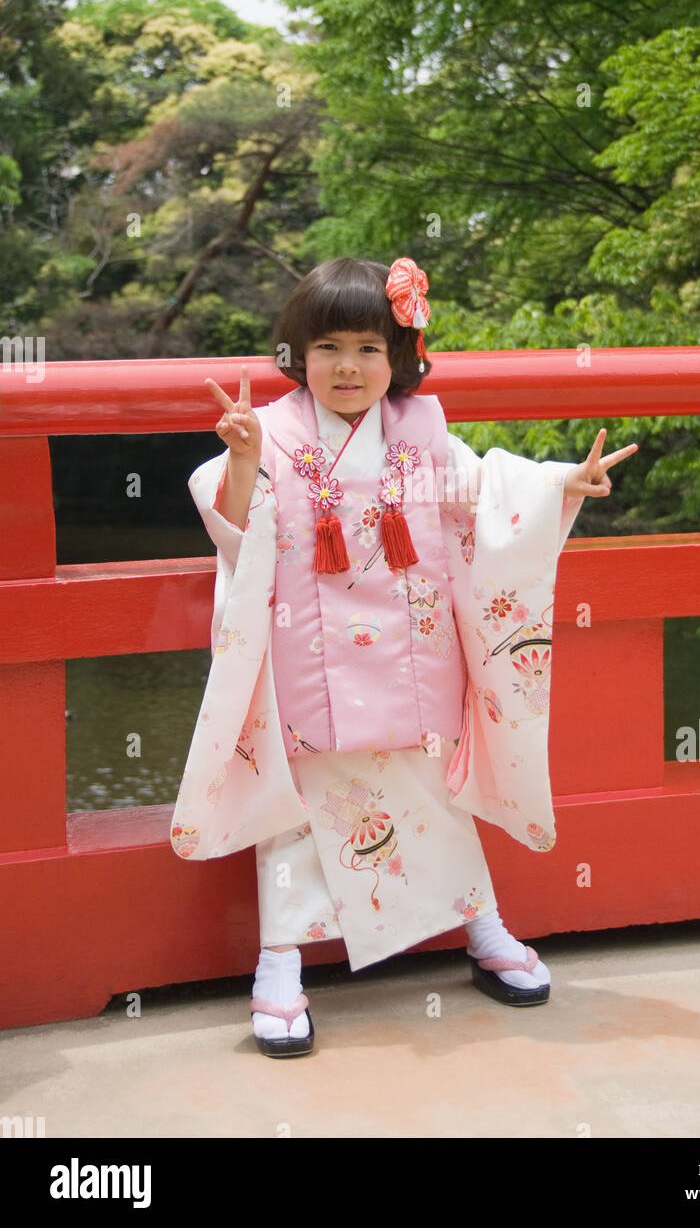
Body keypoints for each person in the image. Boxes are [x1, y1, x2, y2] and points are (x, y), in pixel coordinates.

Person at [171, 256, 637, 1057]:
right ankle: (279, 963)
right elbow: (232, 529)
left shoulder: (420, 428)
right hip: (304, 652)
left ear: (399, 358)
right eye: (326, 349)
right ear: (296, 355)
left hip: (412, 649)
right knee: (297, 807)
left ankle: (481, 926)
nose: (346, 368)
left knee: (435, 789)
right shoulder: (274, 431)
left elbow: (483, 494)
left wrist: (564, 482)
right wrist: (244, 456)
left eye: (367, 349)